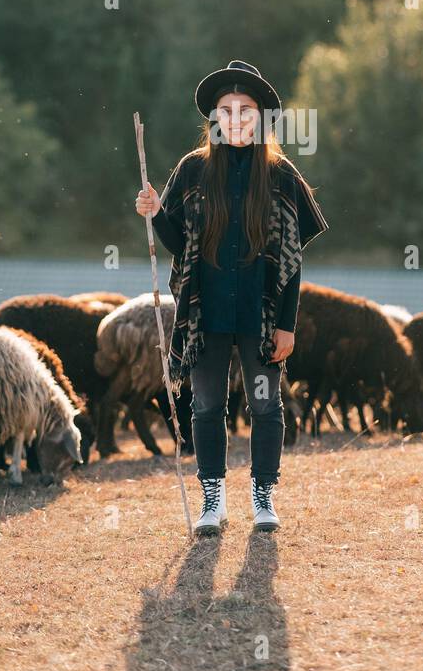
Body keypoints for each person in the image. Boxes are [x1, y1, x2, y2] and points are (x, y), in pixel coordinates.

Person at [135, 59, 328, 534]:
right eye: (226, 110)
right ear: (215, 119)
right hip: (206, 312)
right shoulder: (194, 170)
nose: (236, 118)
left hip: (261, 315)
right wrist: (157, 212)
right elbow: (181, 244)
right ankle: (213, 500)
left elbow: (291, 261)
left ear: (260, 117)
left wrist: (287, 324)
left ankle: (263, 498)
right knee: (204, 404)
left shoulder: (280, 175)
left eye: (246, 109)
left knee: (265, 404)